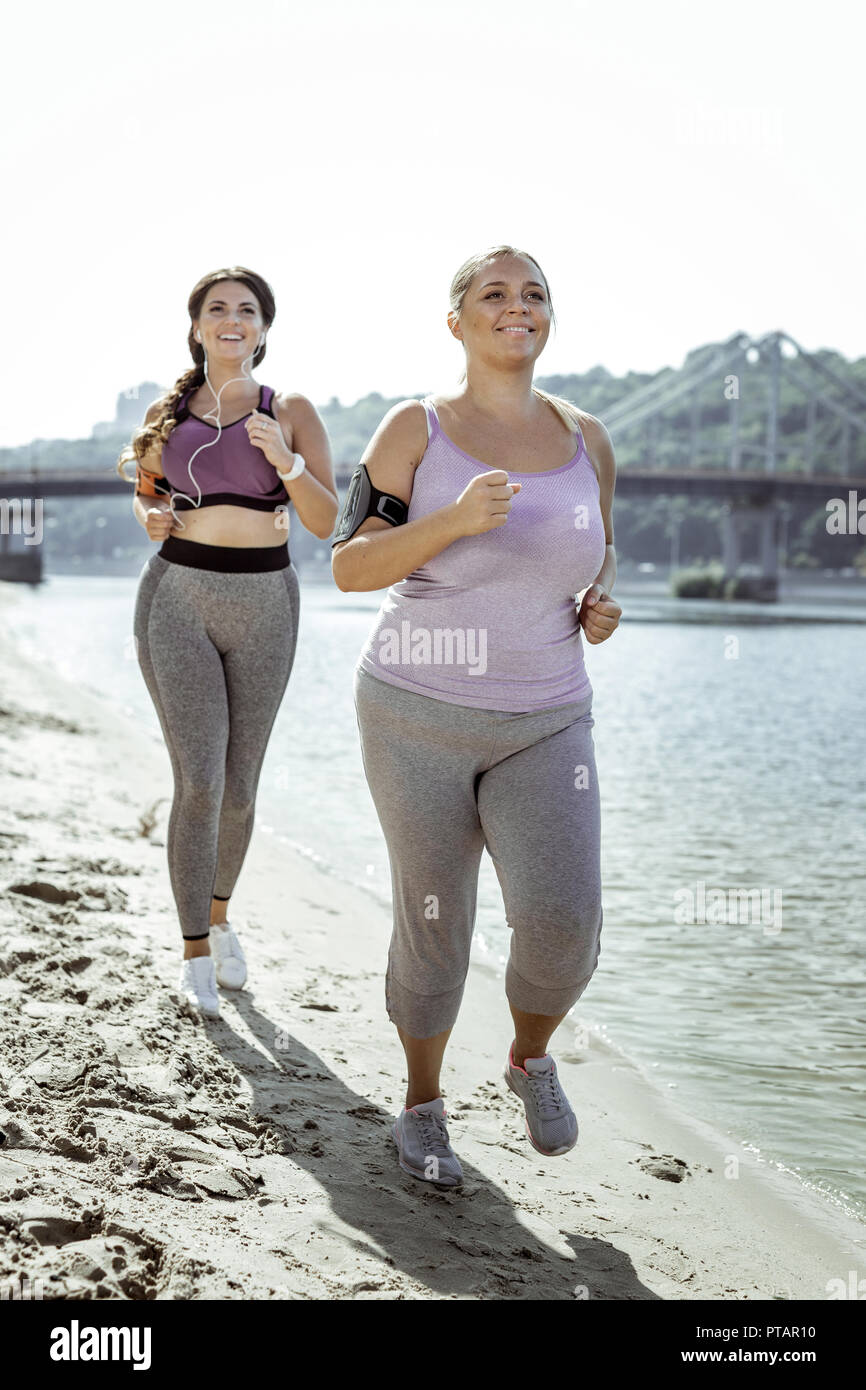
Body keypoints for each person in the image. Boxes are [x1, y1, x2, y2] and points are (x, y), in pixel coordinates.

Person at [332, 245, 621, 1186]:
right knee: (436, 922)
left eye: (534, 292)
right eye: (494, 293)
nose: (517, 305)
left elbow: (601, 548)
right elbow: (349, 566)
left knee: (565, 920)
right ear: (456, 322)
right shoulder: (414, 428)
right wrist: (451, 520)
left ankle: (528, 1057)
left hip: (547, 718)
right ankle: (422, 1104)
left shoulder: (588, 438)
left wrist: (599, 601)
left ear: (549, 317)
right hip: (414, 712)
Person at [118, 266, 338, 1018]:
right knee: (202, 781)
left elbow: (325, 521)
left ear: (264, 330)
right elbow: (147, 492)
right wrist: (150, 516)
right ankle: (194, 955)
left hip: (268, 603)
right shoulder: (168, 412)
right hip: (177, 598)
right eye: (218, 308)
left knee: (241, 788)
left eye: (248, 310)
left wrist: (288, 461)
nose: (233, 319)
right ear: (197, 327)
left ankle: (218, 917)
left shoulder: (291, 410)